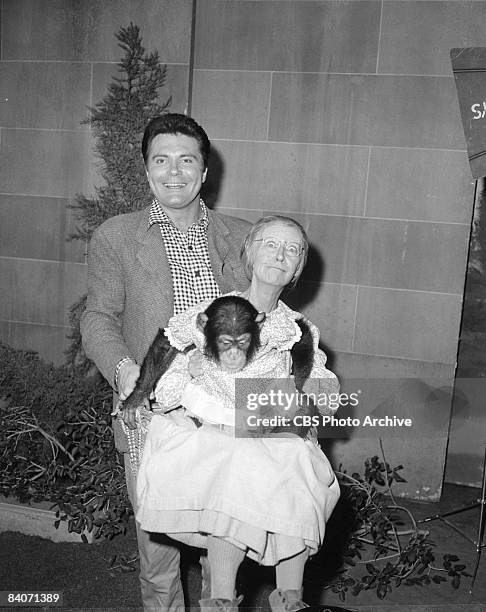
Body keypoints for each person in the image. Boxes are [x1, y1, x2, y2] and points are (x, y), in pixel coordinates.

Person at [80, 113, 251, 611]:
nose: (173, 173)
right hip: (151, 412)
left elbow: (268, 320)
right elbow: (98, 318)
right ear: (146, 169)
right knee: (157, 553)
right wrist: (123, 369)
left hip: (222, 414)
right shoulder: (116, 236)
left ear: (204, 171)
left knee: (224, 548)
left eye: (186, 160)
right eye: (161, 160)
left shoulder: (242, 236)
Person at [134, 216, 341, 612]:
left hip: (270, 437)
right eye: (271, 244)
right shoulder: (210, 313)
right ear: (250, 251)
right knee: (235, 469)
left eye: (292, 250)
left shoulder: (297, 330)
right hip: (211, 438)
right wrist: (192, 376)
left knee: (292, 463)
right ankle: (221, 600)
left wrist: (303, 400)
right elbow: (168, 378)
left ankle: (289, 599)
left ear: (298, 268)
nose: (280, 255)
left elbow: (322, 389)